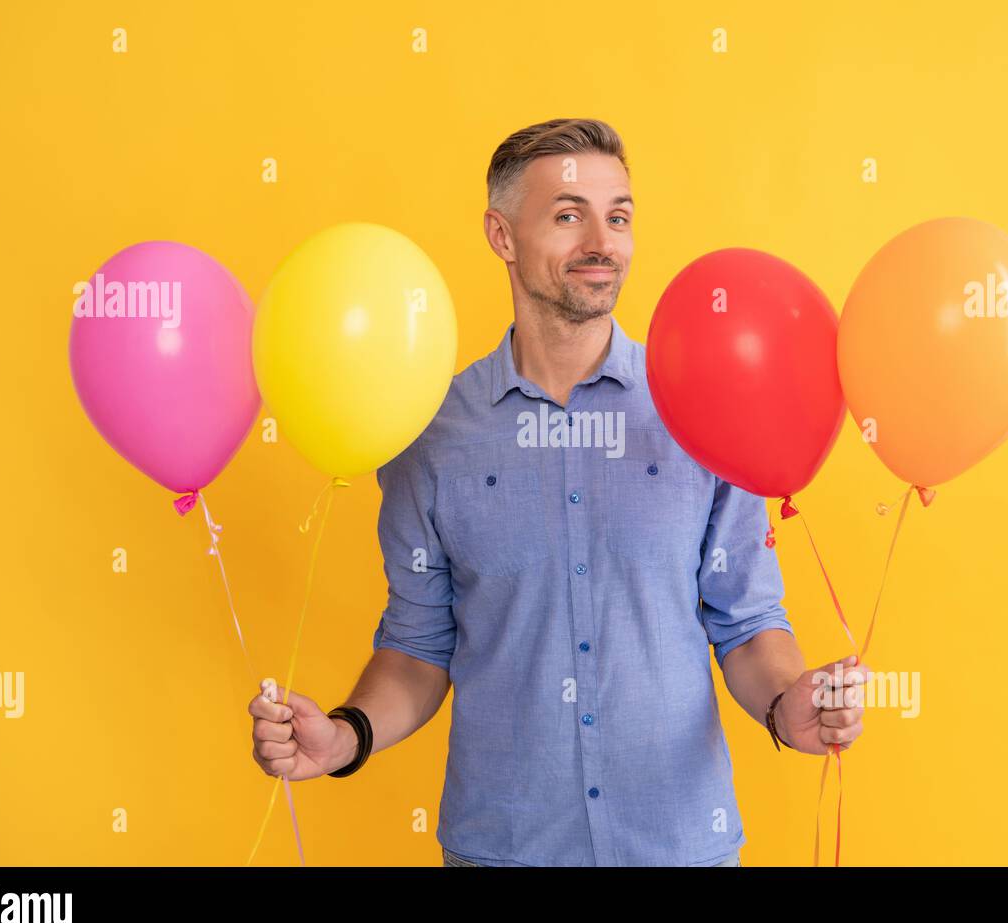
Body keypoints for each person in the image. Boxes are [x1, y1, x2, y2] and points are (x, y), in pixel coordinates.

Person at [248, 118, 869, 867]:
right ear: (502, 235)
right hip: (500, 849)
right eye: (569, 215)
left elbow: (745, 620)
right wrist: (345, 736)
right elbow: (417, 646)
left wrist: (787, 703)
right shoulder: (431, 433)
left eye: (619, 216)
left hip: (680, 846)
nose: (601, 243)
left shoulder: (701, 409)